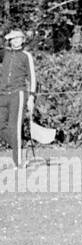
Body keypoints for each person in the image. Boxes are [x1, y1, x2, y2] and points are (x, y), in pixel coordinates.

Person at [0, 29, 35, 167]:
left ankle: (19, 162)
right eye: (12, 39)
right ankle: (20, 146)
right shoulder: (4, 53)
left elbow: (32, 76)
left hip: (18, 93)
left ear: (22, 40)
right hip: (2, 94)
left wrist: (31, 96)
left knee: (15, 127)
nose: (15, 41)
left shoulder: (26, 55)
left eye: (18, 38)